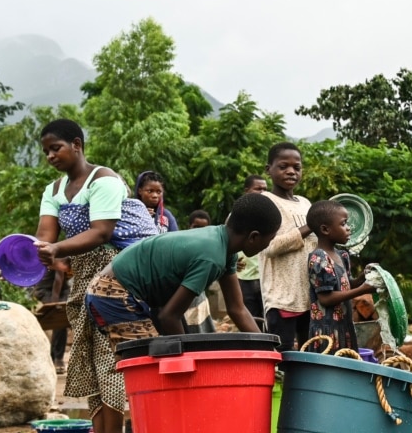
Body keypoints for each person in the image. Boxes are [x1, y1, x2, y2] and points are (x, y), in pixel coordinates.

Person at [34, 119, 158, 433]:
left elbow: (102, 232)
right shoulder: (55, 189)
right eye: (45, 151)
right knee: (86, 351)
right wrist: (31, 252)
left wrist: (57, 250)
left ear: (76, 144)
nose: (50, 156)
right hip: (84, 271)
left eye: (55, 148)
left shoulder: (104, 179)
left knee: (109, 351)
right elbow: (45, 234)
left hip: (117, 269)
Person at [85, 193, 280, 349]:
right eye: (269, 240)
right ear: (254, 237)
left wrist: (267, 348)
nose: (268, 245)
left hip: (121, 291)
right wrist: (188, 356)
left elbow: (237, 308)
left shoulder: (225, 250)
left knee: (156, 363)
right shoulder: (210, 256)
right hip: (114, 293)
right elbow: (169, 316)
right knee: (150, 366)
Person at [257, 144, 315, 351]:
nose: (291, 171)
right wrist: (309, 227)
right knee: (283, 357)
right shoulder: (265, 203)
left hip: (309, 298)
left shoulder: (305, 204)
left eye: (296, 167)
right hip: (282, 299)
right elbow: (269, 247)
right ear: (268, 169)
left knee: (310, 357)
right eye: (283, 166)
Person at [304, 200, 377, 351]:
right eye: (343, 224)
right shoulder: (319, 258)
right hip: (327, 332)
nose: (348, 228)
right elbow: (325, 298)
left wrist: (362, 277)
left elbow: (346, 286)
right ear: (325, 229)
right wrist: (362, 290)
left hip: (344, 327)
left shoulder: (341, 255)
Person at [236, 177, 269, 321]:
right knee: (251, 317)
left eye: (265, 189)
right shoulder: (236, 215)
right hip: (245, 277)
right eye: (258, 188)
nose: (262, 192)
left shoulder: (270, 216)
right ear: (246, 191)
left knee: (268, 318)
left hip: (265, 276)